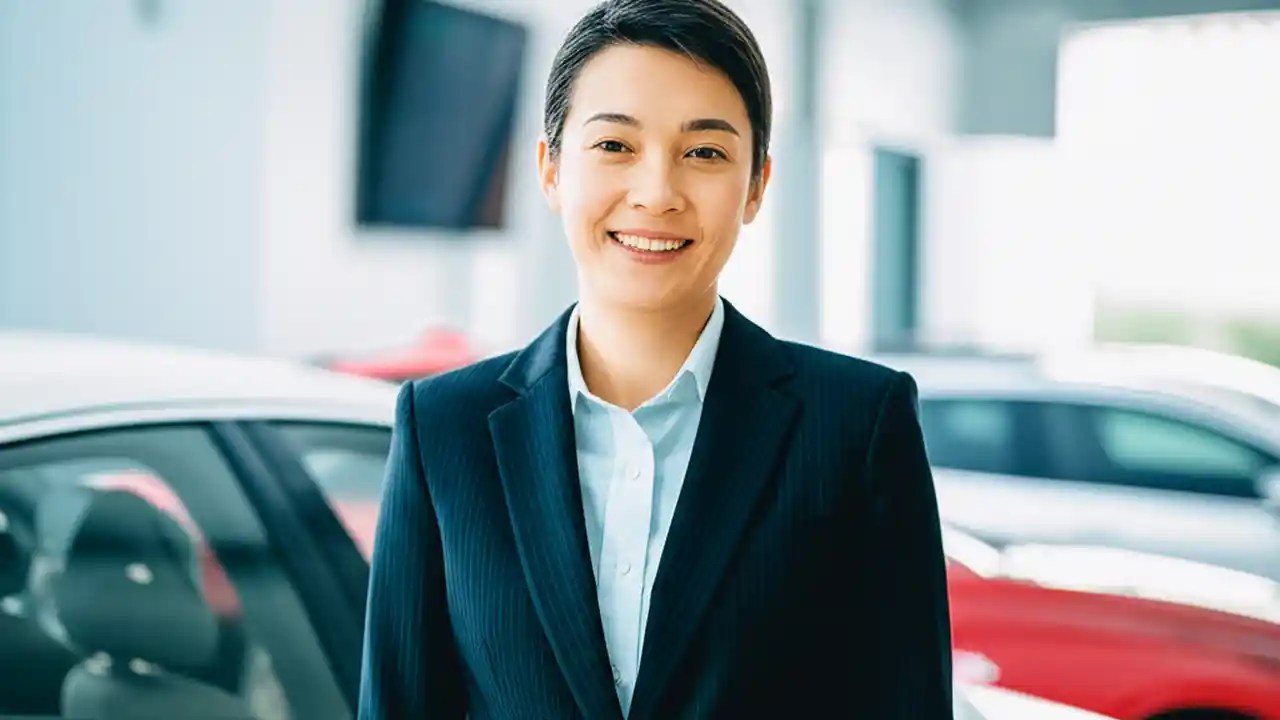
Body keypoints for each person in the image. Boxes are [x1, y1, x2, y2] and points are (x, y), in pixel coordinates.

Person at [358, 0, 952, 717]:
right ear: (550, 169)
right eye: (615, 145)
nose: (657, 194)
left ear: (757, 185)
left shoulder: (857, 425)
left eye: (704, 153)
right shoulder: (444, 427)